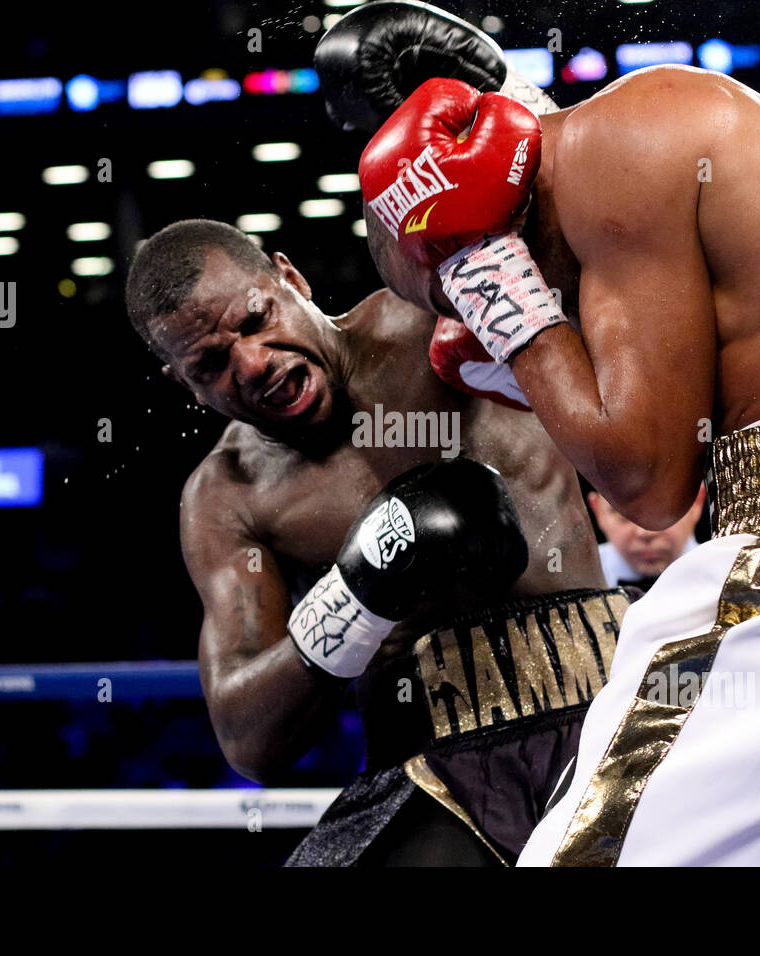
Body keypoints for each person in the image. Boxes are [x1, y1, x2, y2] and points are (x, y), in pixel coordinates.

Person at [318, 5, 760, 865]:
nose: (460, 317)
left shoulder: (603, 147)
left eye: (444, 286)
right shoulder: (680, 129)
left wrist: (488, 280)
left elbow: (646, 480)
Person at [124, 218, 626, 866]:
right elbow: (246, 734)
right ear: (182, 384)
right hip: (435, 771)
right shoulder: (228, 495)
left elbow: (607, 266)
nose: (251, 363)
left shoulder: (431, 318)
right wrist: (359, 590)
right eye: (211, 365)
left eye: (254, 321)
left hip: (607, 711)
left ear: (290, 278)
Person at [589, 485, 704, 592]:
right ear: (598, 511)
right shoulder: (575, 580)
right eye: (624, 514)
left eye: (664, 511)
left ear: (697, 503)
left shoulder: (720, 574)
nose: (645, 533)